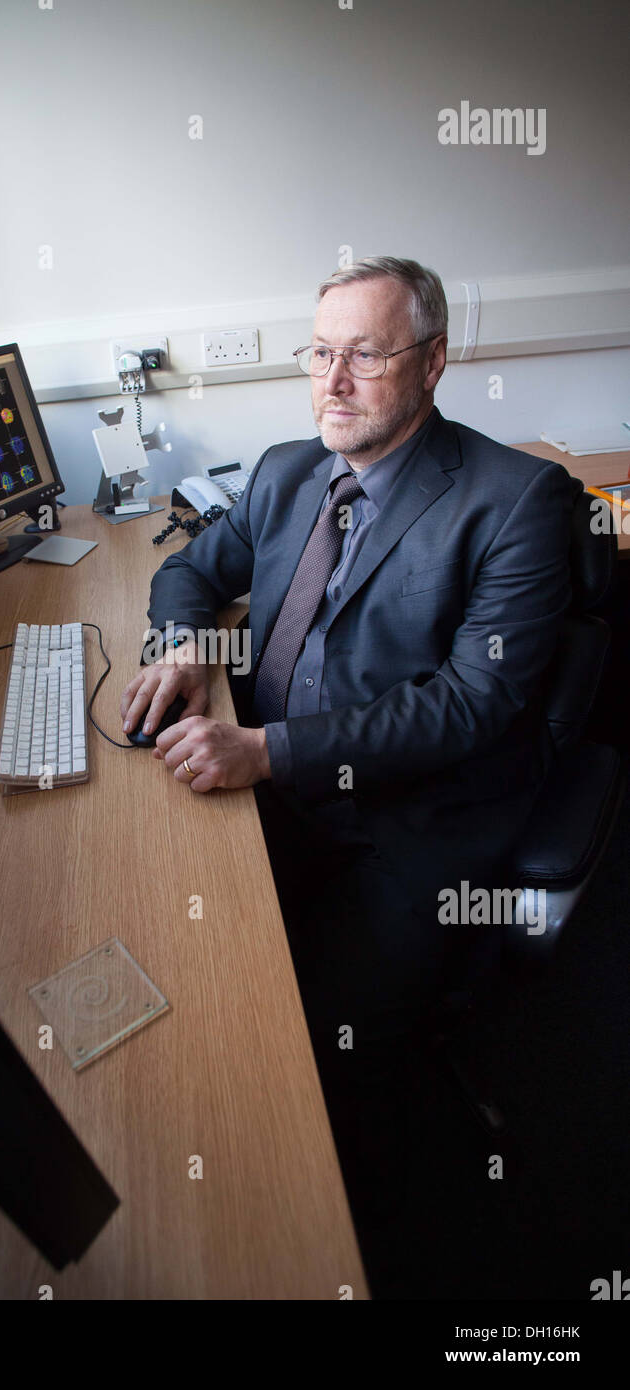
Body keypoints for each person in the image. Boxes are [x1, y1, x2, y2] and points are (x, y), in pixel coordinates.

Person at [120, 256, 580, 1240]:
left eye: (363, 355)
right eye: (319, 352)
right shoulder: (289, 468)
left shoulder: (516, 501)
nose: (330, 381)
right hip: (276, 786)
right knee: (163, 954)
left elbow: (468, 704)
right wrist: (192, 648)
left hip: (411, 827)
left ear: (431, 363)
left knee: (294, 1062)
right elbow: (190, 570)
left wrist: (265, 751)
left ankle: (300, 1232)